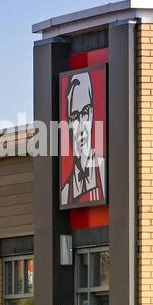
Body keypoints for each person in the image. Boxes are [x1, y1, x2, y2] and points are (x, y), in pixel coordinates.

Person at [60, 70, 104, 206]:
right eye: (74, 116)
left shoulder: (105, 175)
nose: (81, 125)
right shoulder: (65, 193)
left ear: (92, 114)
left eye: (85, 112)